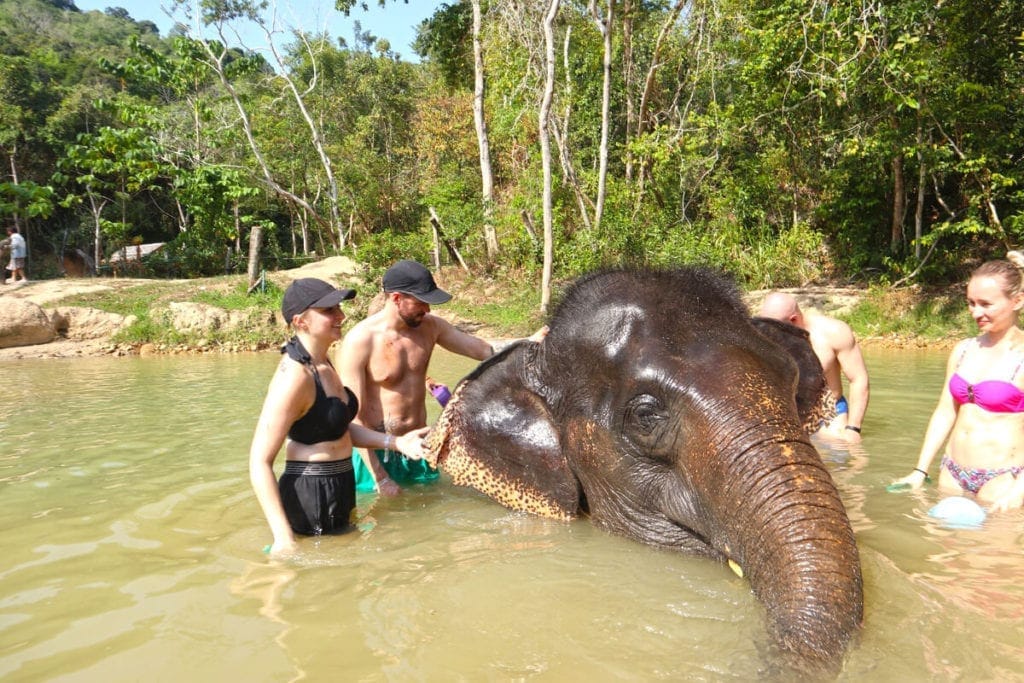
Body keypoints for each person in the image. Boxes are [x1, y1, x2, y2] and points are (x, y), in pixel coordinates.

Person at [249, 277, 429, 555]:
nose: (340, 316)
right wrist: (283, 538)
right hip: (311, 491)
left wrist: (397, 443)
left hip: (340, 484)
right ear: (301, 321)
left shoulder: (323, 361)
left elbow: (339, 430)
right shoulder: (293, 376)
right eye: (328, 311)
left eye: (339, 308)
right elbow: (259, 462)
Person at [339, 260, 546, 495]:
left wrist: (526, 343)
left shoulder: (431, 327)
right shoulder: (359, 341)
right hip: (377, 453)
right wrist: (381, 478)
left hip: (419, 448)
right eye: (421, 302)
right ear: (396, 299)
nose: (427, 309)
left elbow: (482, 350)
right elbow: (351, 417)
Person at [892, 254, 1024, 511]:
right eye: (971, 303)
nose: (976, 312)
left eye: (986, 304)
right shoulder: (963, 350)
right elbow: (945, 412)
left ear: (1017, 301)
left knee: (991, 552)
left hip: (1002, 479)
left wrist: (1019, 490)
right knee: (943, 550)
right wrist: (920, 470)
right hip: (951, 473)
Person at [759, 291, 870, 443]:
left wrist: (853, 429)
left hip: (828, 412)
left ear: (794, 320)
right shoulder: (763, 334)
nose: (770, 332)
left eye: (776, 328)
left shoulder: (833, 332)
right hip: (785, 412)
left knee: (844, 452)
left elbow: (858, 379)